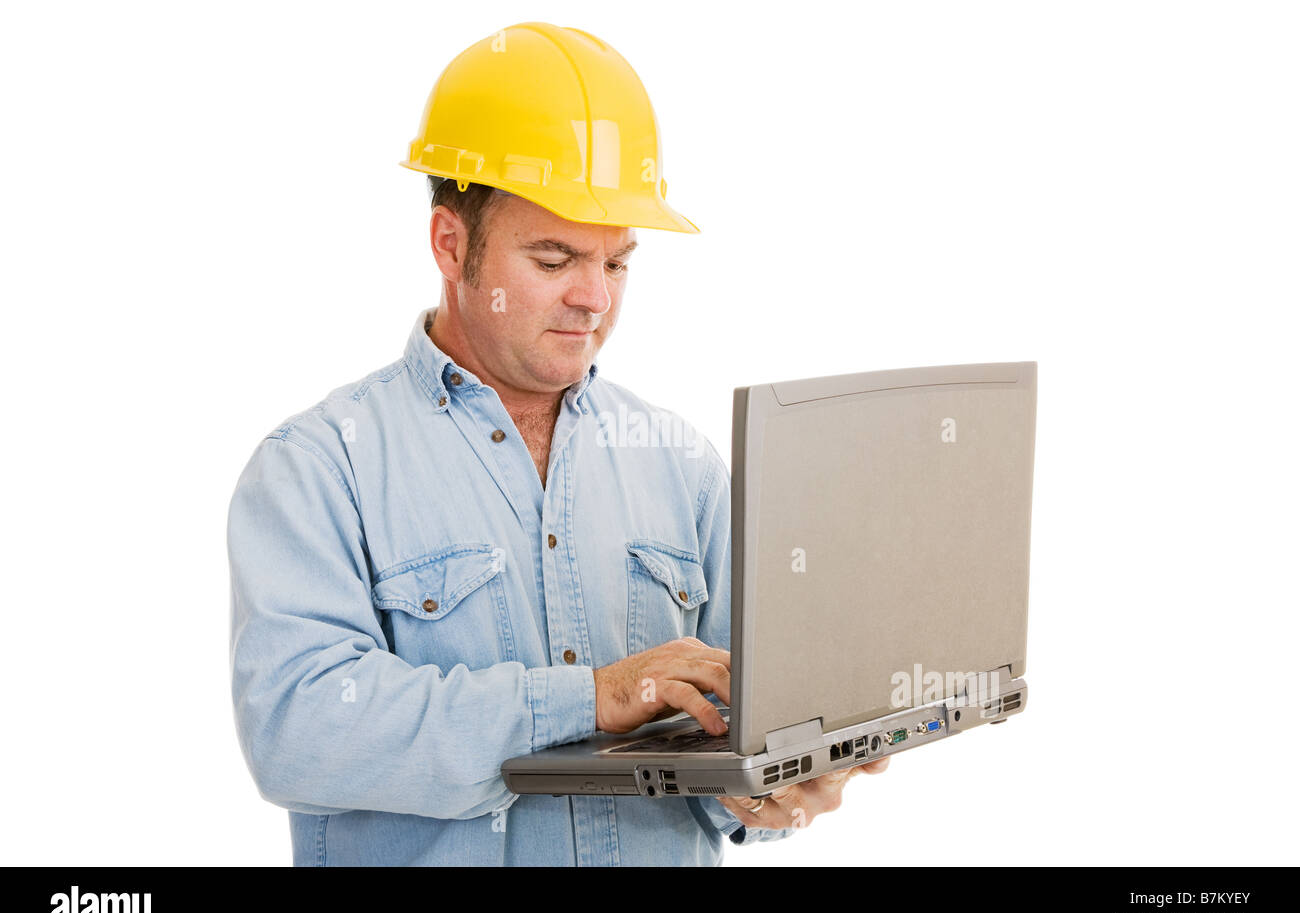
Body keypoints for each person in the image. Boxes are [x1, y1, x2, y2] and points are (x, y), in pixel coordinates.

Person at [226, 21, 887, 866]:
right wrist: (589, 698)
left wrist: (781, 789)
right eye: (554, 258)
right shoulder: (321, 468)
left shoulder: (680, 466)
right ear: (449, 243)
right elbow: (300, 729)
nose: (592, 299)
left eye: (617, 264)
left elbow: (735, 757)